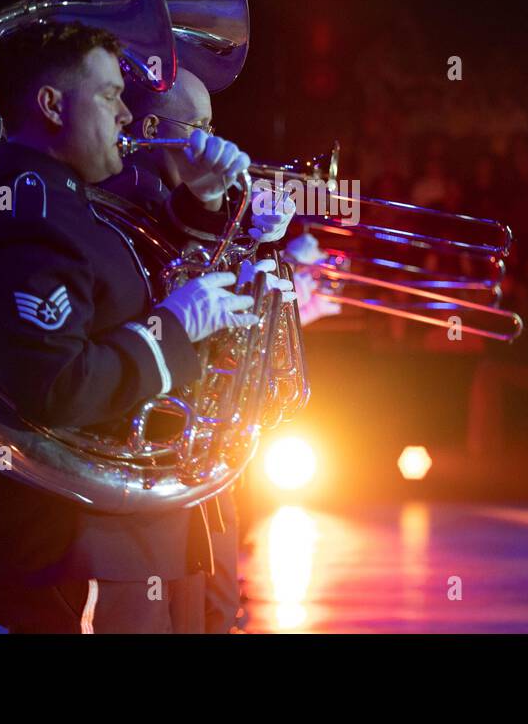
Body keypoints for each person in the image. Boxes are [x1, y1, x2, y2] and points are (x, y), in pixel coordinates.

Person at [0, 21, 286, 633]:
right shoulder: (33, 212)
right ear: (52, 105)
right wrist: (176, 330)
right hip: (80, 542)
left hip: (123, 536)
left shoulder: (73, 203)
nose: (127, 117)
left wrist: (209, 207)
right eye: (109, 96)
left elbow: (137, 289)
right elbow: (56, 387)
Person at [104, 66, 333, 631]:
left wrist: (262, 254)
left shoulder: (188, 205)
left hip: (207, 458)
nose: (219, 141)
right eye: (200, 124)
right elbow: (169, 297)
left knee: (216, 610)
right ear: (154, 128)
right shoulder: (124, 199)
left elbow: (222, 316)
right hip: (154, 456)